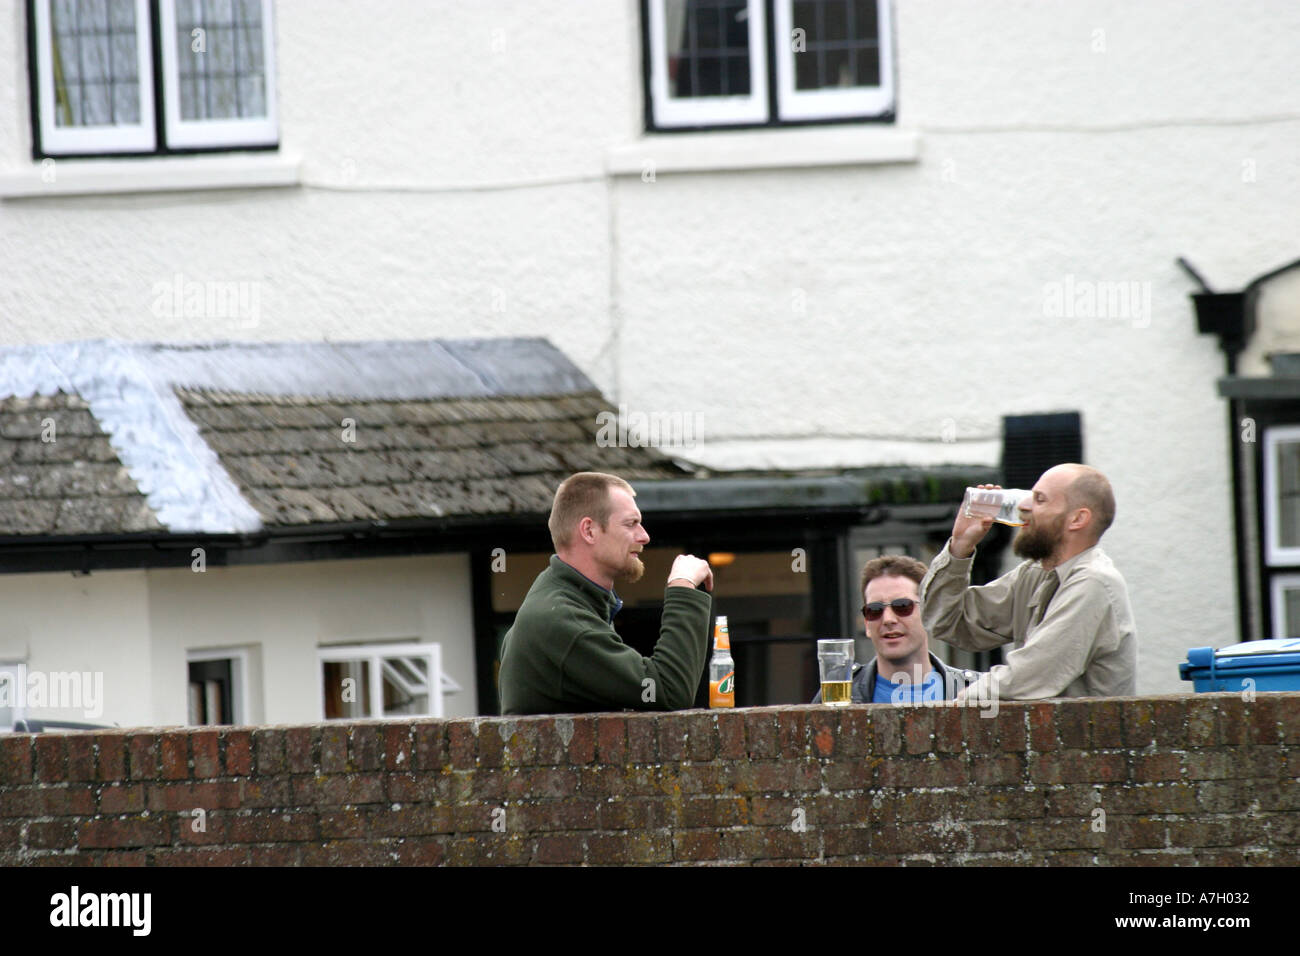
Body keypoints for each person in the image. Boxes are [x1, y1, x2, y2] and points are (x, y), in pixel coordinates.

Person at [498, 472, 714, 715]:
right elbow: (669, 691)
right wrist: (682, 587)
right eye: (631, 523)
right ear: (589, 531)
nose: (644, 536)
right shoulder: (562, 619)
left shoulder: (566, 600)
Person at [921, 463, 1137, 701]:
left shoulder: (1094, 582)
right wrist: (960, 546)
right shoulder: (1036, 574)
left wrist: (956, 705)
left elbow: (1030, 676)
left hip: (1089, 739)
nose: (1023, 506)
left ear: (1077, 518)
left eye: (1040, 500)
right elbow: (946, 620)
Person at [813, 555, 975, 704]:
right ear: (866, 623)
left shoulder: (975, 690)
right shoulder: (836, 696)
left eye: (902, 606)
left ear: (930, 614)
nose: (888, 619)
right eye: (874, 610)